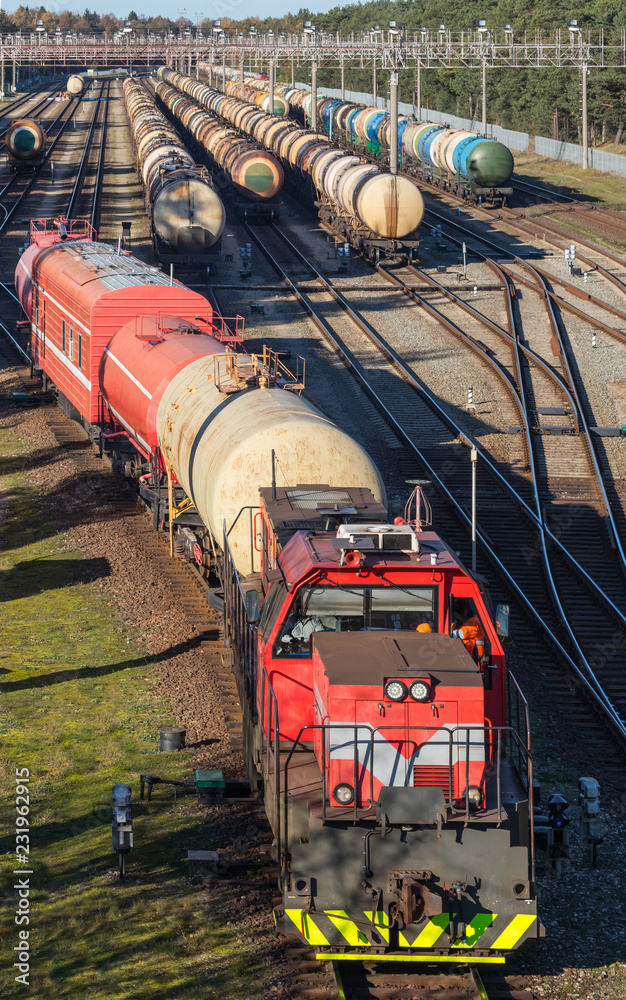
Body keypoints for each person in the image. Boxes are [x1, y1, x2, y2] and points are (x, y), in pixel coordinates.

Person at [451, 599, 486, 665]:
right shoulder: (466, 621)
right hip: (470, 656)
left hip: (474, 657)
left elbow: (462, 633)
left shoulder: (474, 623)